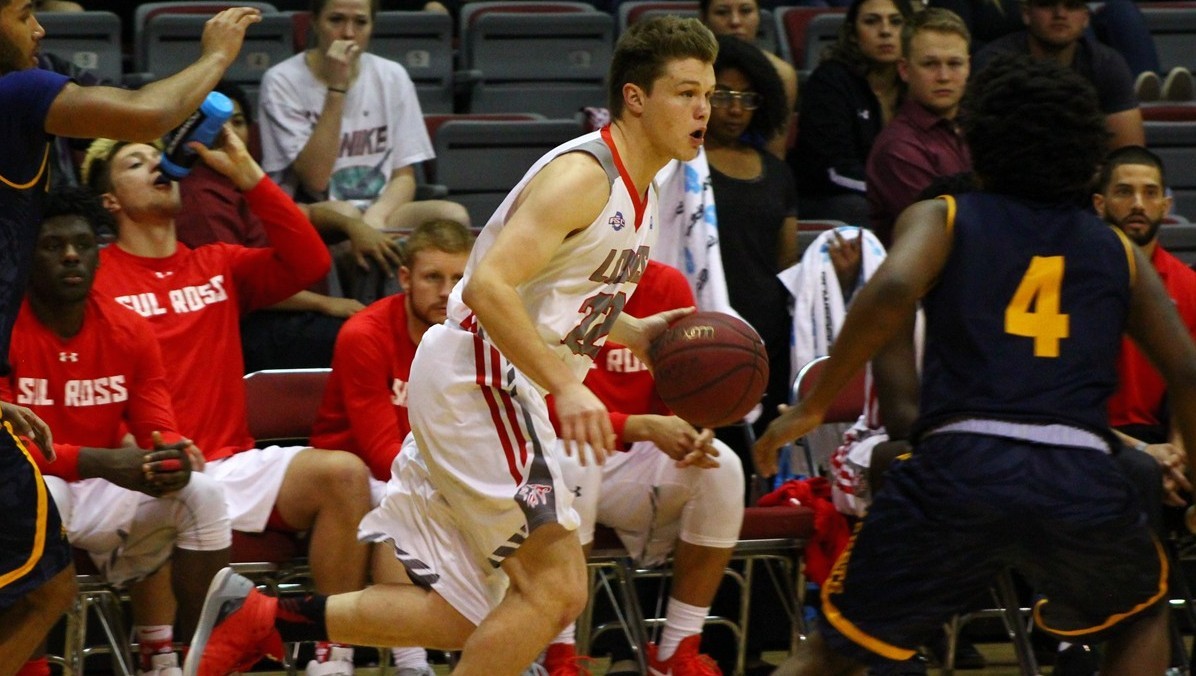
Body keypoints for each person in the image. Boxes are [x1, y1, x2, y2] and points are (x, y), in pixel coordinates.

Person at [183, 16, 720, 676]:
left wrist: (631, 330)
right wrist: (570, 385)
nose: (705, 109)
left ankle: (263, 616)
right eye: (688, 92)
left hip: (483, 380)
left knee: (468, 612)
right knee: (556, 590)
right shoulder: (585, 176)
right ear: (636, 98)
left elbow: (552, 290)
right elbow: (489, 284)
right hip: (484, 378)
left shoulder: (651, 183)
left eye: (710, 94)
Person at [753, 53, 1196, 676]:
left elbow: (888, 290)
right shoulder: (1116, 249)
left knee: (834, 649)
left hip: (960, 466)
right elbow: (1190, 372)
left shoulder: (946, 216)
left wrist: (812, 405)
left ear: (980, 138)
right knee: (1142, 615)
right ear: (1085, 156)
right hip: (1078, 471)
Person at [0, 3, 261, 671]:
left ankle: (169, 657)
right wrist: (217, 57)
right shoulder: (16, 92)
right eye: (26, 12)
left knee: (44, 590)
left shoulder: (123, 325)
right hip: (63, 480)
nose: (40, 30)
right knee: (43, 591)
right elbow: (149, 112)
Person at [81, 127, 375, 672]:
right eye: (134, 162)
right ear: (110, 200)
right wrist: (129, 449)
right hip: (145, 465)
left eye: (158, 158)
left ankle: (329, 652)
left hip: (234, 461)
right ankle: (159, 654)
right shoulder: (93, 280)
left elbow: (308, 264)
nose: (156, 167)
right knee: (173, 489)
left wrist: (250, 178)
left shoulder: (216, 262)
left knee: (344, 476)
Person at [4, 187, 231, 676]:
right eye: (52, 245)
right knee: (38, 494)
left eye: (84, 245)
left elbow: (157, 427)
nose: (71, 255)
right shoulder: (7, 332)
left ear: (98, 254)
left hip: (103, 484)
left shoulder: (129, 329)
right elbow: (9, 453)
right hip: (39, 486)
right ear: (25, 256)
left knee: (203, 495)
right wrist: (97, 461)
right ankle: (33, 664)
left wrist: (168, 457)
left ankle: (195, 658)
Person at [546, 260, 743, 675]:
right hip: (552, 456)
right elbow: (537, 403)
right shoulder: (553, 278)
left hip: (633, 463)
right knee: (574, 458)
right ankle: (558, 654)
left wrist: (694, 429)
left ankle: (677, 652)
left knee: (722, 467)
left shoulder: (667, 283)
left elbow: (684, 386)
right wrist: (639, 425)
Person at [175, 80, 403, 373]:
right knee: (374, 340)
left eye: (238, 122)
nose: (227, 132)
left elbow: (303, 213)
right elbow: (239, 289)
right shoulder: (200, 197)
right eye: (216, 123)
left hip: (295, 312)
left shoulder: (239, 178)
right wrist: (325, 304)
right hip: (254, 325)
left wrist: (352, 227)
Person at [257, 0, 467, 232]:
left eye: (360, 22)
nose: (348, 33)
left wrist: (375, 219)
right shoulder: (281, 81)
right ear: (315, 22)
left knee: (452, 215)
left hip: (380, 211)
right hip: (318, 212)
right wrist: (337, 87)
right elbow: (315, 179)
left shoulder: (392, 76)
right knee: (345, 213)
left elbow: (404, 175)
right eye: (336, 20)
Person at [311, 218, 472, 487]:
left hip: (432, 476)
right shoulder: (365, 335)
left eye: (458, 279)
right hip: (358, 480)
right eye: (432, 277)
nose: (446, 292)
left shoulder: (479, 333)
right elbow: (382, 454)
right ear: (405, 279)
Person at [702, 34, 797, 471]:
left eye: (747, 97)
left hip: (767, 338)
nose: (736, 108)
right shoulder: (680, 166)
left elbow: (785, 264)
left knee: (757, 465)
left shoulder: (777, 173)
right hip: (703, 335)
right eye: (723, 95)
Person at [786, 0, 915, 224]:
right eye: (871, 21)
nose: (885, 31)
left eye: (895, 22)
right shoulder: (830, 82)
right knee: (860, 209)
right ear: (853, 34)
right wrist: (897, 191)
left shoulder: (914, 84)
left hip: (892, 192)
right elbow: (834, 171)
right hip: (827, 197)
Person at [865, 7, 972, 247]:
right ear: (904, 70)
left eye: (954, 63)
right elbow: (945, 234)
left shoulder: (982, 127)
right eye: (930, 64)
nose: (943, 76)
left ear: (968, 67)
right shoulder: (898, 148)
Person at [973, 0, 1144, 149]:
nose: (1060, 14)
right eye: (1047, 4)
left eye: (1072, 5)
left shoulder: (1106, 63)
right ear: (1026, 14)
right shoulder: (994, 64)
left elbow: (1129, 154)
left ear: (1086, 17)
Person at [699, 0, 797, 159]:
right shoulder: (687, 71)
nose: (735, 21)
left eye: (745, 11)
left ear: (759, 16)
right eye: (722, 12)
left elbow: (775, 153)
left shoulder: (782, 74)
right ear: (704, 18)